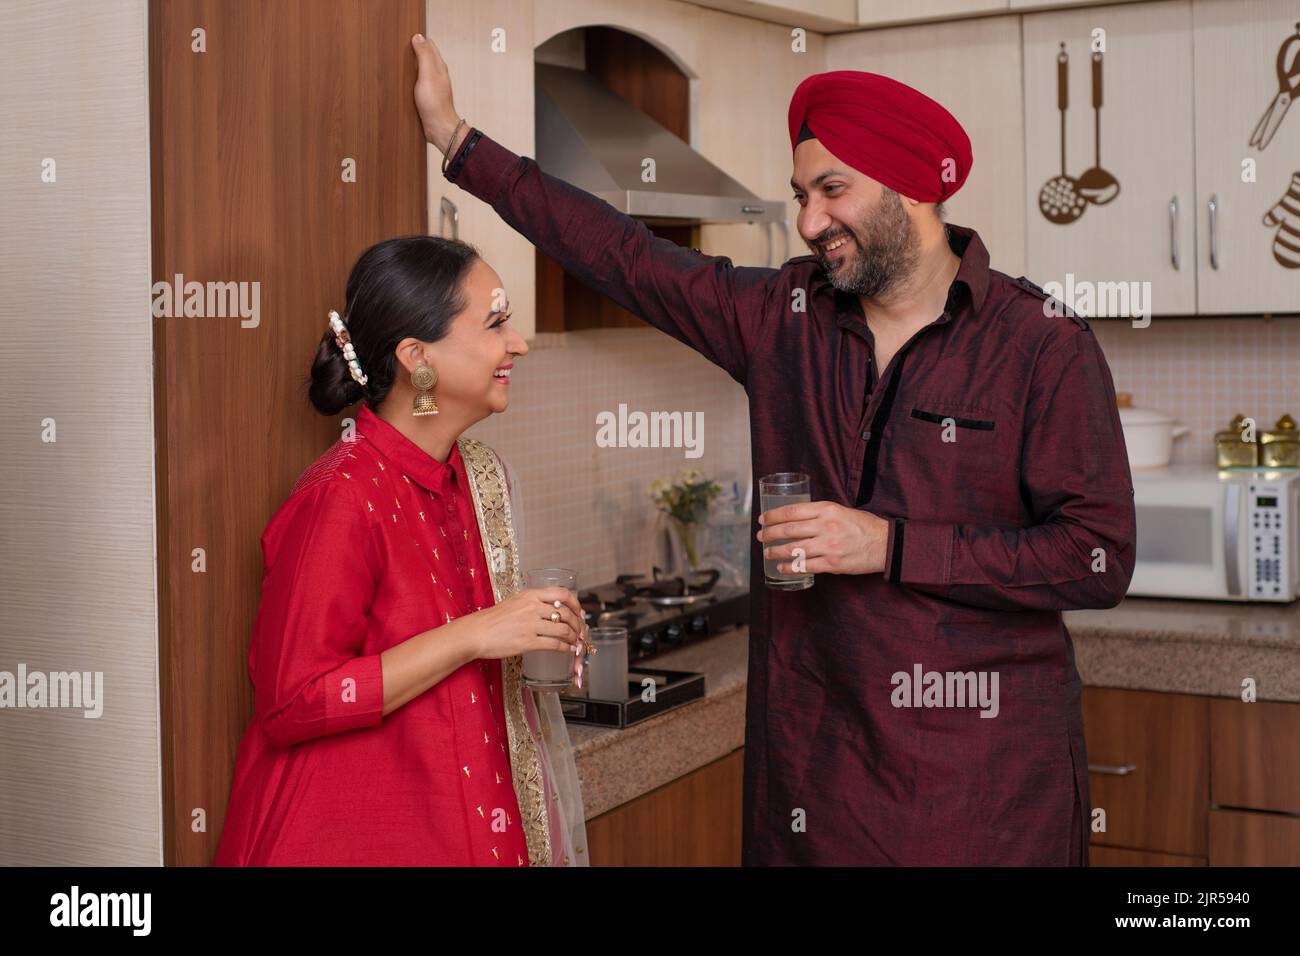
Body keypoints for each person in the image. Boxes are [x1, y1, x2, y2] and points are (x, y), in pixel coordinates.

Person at [411, 36, 1136, 866]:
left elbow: (1095, 558)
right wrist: (459, 143)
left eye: (834, 190)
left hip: (983, 796)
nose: (809, 221)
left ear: (912, 188)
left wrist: (888, 544)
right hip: (817, 784)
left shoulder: (1042, 346)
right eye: (800, 195)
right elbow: (623, 254)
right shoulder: (782, 316)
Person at [214, 236, 590, 866]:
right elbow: (291, 701)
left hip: (462, 827)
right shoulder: (340, 496)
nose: (518, 343)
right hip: (355, 836)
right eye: (496, 323)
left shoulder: (474, 479)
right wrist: (477, 632)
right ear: (417, 358)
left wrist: (531, 631)